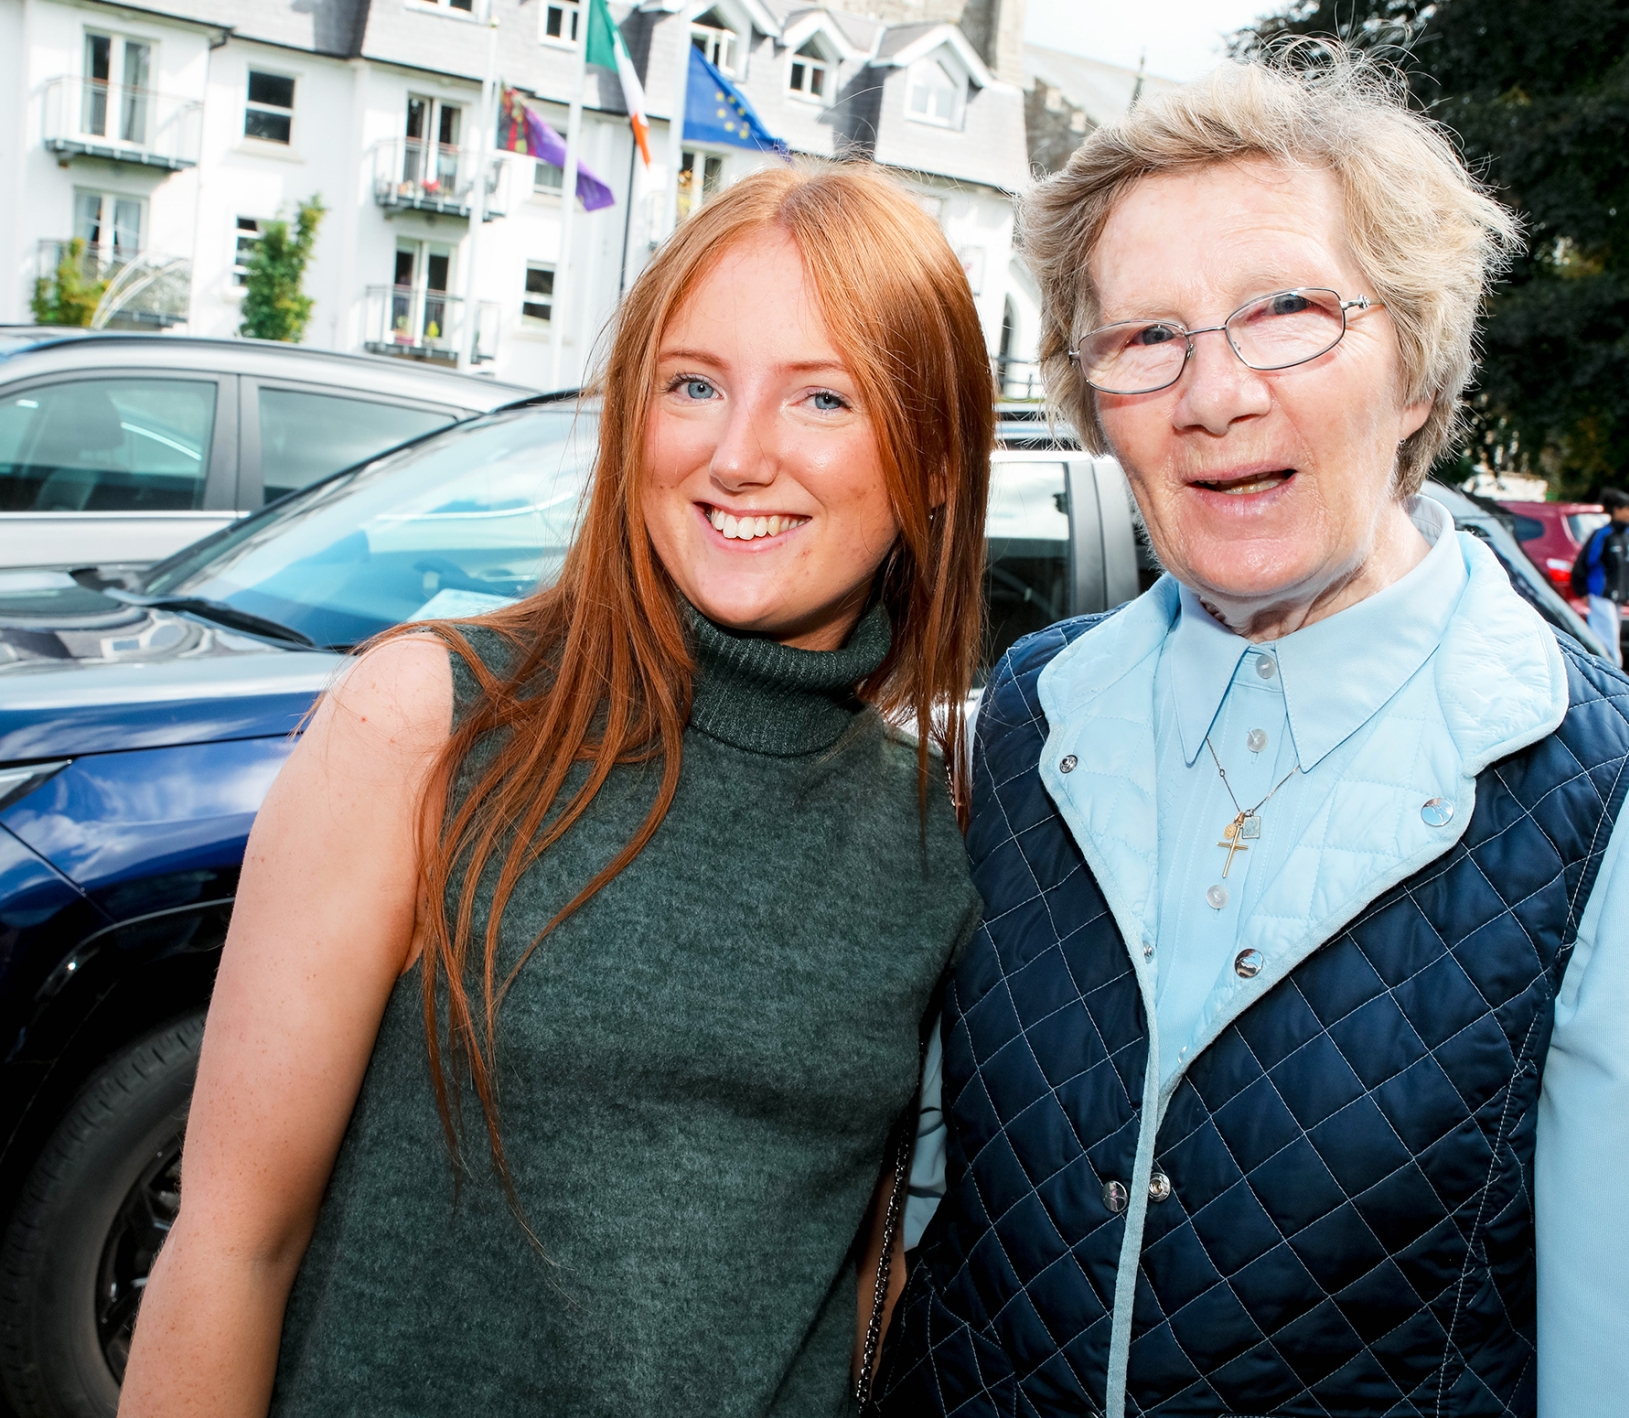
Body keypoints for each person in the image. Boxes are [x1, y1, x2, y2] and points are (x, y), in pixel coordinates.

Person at [875, 47, 1629, 1418]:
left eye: (1285, 309)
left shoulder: (1608, 793)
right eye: (1145, 335)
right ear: (1095, 396)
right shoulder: (1027, 720)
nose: (1213, 392)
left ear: (1415, 367)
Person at [118, 164, 992, 1417]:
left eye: (823, 396)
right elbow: (229, 1246)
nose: (737, 454)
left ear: (940, 460)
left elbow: (863, 1269)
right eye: (693, 384)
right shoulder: (428, 722)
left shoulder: (932, 826)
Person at [1577, 488, 1629, 666]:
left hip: (1618, 597)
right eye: (1627, 509)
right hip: (1601, 595)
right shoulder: (1603, 535)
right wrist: (1582, 589)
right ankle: (1611, 673)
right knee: (1608, 638)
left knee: (1612, 636)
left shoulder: (1627, 537)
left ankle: (1607, 671)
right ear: (1616, 510)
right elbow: (1584, 562)